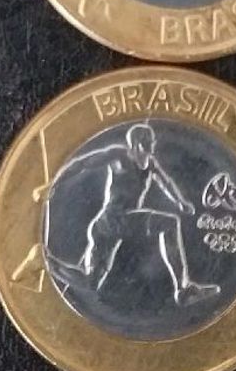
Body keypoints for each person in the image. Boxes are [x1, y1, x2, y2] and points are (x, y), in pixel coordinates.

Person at [50, 123, 219, 308]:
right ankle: (183, 289)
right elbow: (83, 163)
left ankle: (47, 262)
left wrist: (180, 202)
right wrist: (55, 181)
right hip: (113, 219)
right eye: (150, 141)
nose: (153, 144)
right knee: (169, 223)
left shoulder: (150, 163)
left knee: (90, 282)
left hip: (119, 223)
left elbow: (166, 183)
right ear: (139, 142)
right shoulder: (119, 155)